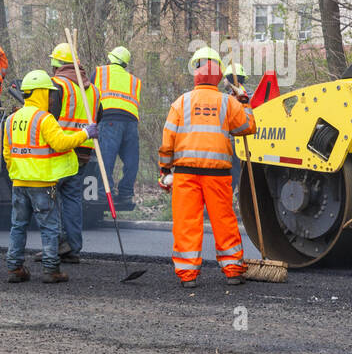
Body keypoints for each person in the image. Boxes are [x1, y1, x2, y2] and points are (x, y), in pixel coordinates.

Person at [159, 48, 255, 288]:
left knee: (186, 222)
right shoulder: (227, 102)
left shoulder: (181, 102)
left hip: (185, 175)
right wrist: (244, 102)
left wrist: (164, 170)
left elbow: (167, 139)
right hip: (218, 175)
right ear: (218, 76)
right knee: (224, 221)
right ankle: (233, 270)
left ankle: (188, 275)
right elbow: (247, 128)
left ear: (196, 74)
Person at [4, 70, 98, 285]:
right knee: (49, 227)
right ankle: (51, 269)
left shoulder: (12, 119)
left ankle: (14, 268)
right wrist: (85, 134)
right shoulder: (44, 119)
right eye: (49, 93)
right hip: (42, 183)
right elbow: (61, 143)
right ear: (41, 93)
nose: (51, 98)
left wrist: (17, 172)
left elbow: (7, 154)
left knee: (18, 226)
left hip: (19, 183)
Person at [41, 43, 101, 264]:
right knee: (72, 197)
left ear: (56, 64)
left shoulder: (57, 85)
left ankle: (53, 246)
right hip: (83, 151)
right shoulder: (93, 90)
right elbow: (99, 116)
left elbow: (47, 117)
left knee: (51, 197)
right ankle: (72, 247)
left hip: (61, 148)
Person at [94, 45, 141, 210]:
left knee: (106, 158)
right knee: (132, 160)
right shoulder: (135, 80)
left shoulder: (100, 72)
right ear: (126, 64)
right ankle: (126, 192)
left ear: (111, 58)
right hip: (131, 121)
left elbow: (90, 96)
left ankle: (104, 192)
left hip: (110, 119)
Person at [220, 62, 248, 188]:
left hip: (234, 144)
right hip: (237, 143)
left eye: (225, 78)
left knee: (231, 178)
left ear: (231, 78)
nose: (223, 81)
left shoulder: (239, 96)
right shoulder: (243, 94)